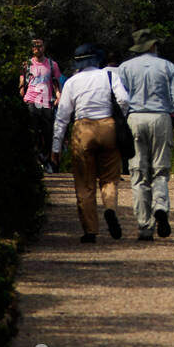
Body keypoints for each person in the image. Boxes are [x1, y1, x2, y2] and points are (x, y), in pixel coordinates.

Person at [51, 44, 130, 243]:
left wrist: (56, 147)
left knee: (85, 184)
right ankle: (110, 209)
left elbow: (62, 117)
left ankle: (90, 231)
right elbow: (124, 100)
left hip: (83, 129)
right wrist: (118, 119)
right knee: (109, 179)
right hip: (108, 128)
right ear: (96, 59)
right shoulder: (109, 76)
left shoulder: (71, 82)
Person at [118, 29, 174, 241]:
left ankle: (145, 226)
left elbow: (121, 99)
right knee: (160, 170)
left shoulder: (125, 68)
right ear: (152, 46)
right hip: (161, 118)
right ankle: (160, 207)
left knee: (138, 173)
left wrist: (120, 127)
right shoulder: (167, 66)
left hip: (135, 118)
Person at [19, 37, 62, 173]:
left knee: (48, 133)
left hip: (46, 102)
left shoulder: (52, 65)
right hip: (31, 100)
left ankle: (45, 160)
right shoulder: (27, 64)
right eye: (35, 46)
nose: (37, 49)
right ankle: (33, 161)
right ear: (32, 48)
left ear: (44, 47)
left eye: (40, 46)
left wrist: (58, 96)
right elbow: (22, 83)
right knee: (33, 132)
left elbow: (56, 83)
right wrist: (21, 96)